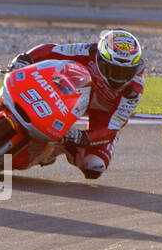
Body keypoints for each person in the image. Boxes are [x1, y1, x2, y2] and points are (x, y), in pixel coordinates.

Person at [9, 29, 144, 179]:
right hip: (71, 93)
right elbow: (52, 50)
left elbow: (113, 126)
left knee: (94, 165)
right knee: (19, 73)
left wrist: (83, 137)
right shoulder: (88, 51)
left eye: (125, 72)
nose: (118, 77)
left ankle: (55, 149)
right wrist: (25, 59)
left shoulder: (134, 90)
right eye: (113, 69)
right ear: (101, 59)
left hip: (102, 113)